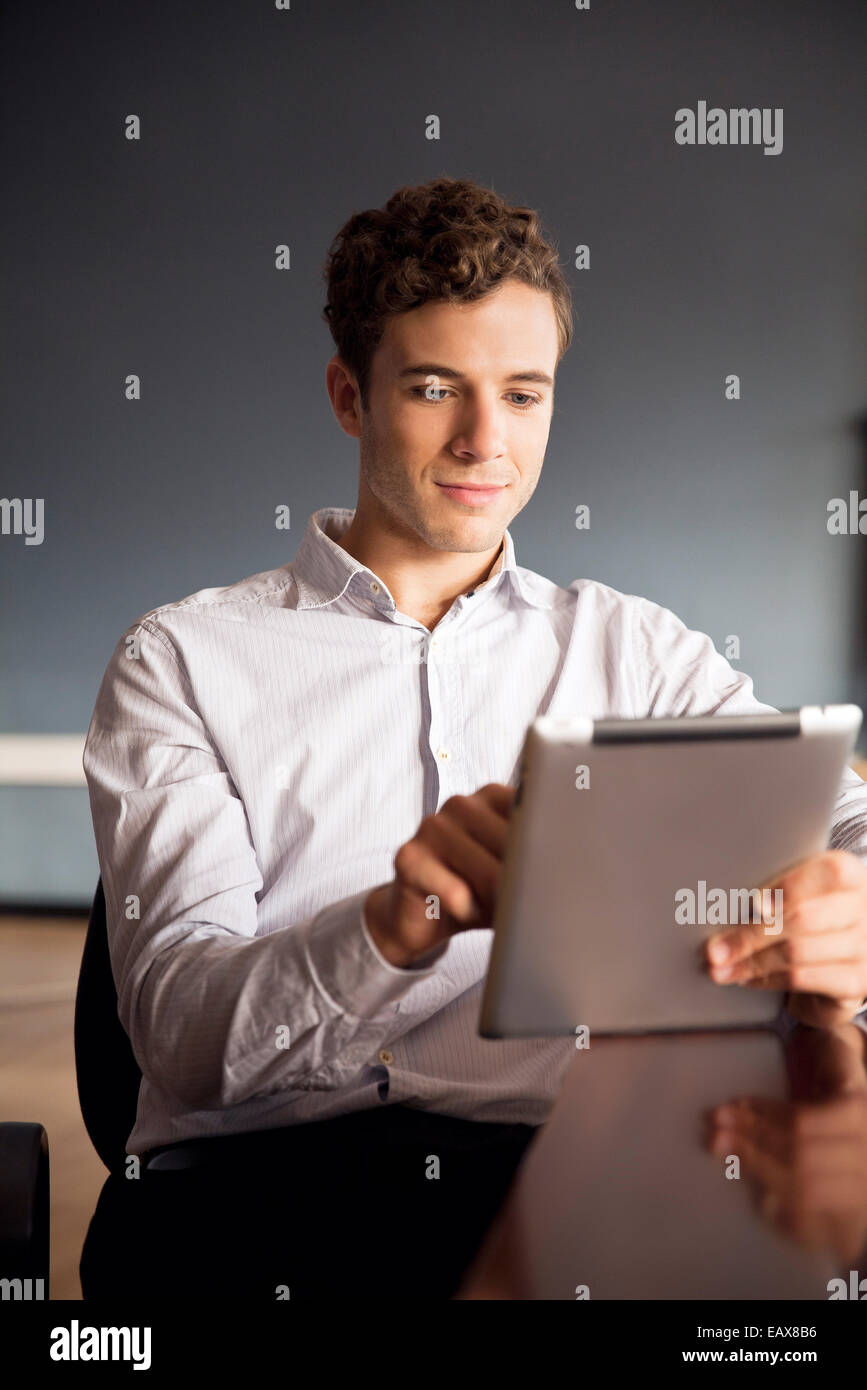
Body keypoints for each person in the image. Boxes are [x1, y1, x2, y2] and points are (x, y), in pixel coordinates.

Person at [80, 175, 867, 1300]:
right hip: (256, 1185)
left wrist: (854, 898)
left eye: (525, 392)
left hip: (566, 1176)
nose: (485, 440)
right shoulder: (181, 659)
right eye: (437, 387)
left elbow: (844, 811)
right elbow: (180, 1040)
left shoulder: (634, 650)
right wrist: (393, 925)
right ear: (350, 396)